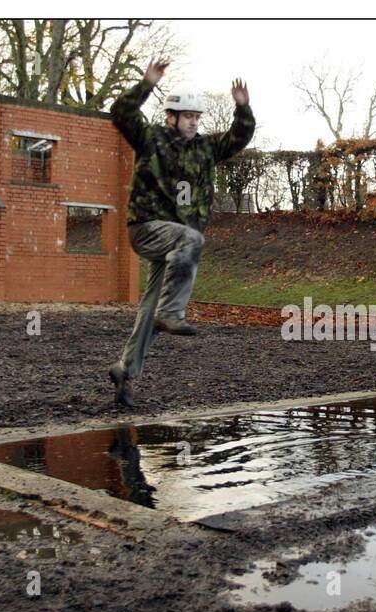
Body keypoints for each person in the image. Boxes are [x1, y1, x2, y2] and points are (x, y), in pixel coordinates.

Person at [106, 59, 255, 408]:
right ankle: (171, 313)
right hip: (146, 227)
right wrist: (146, 84)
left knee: (148, 311)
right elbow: (121, 112)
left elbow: (238, 137)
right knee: (190, 239)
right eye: (187, 116)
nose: (193, 122)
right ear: (170, 116)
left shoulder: (204, 149)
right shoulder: (150, 139)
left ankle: (125, 371)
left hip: (174, 245)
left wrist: (242, 107)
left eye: (196, 117)